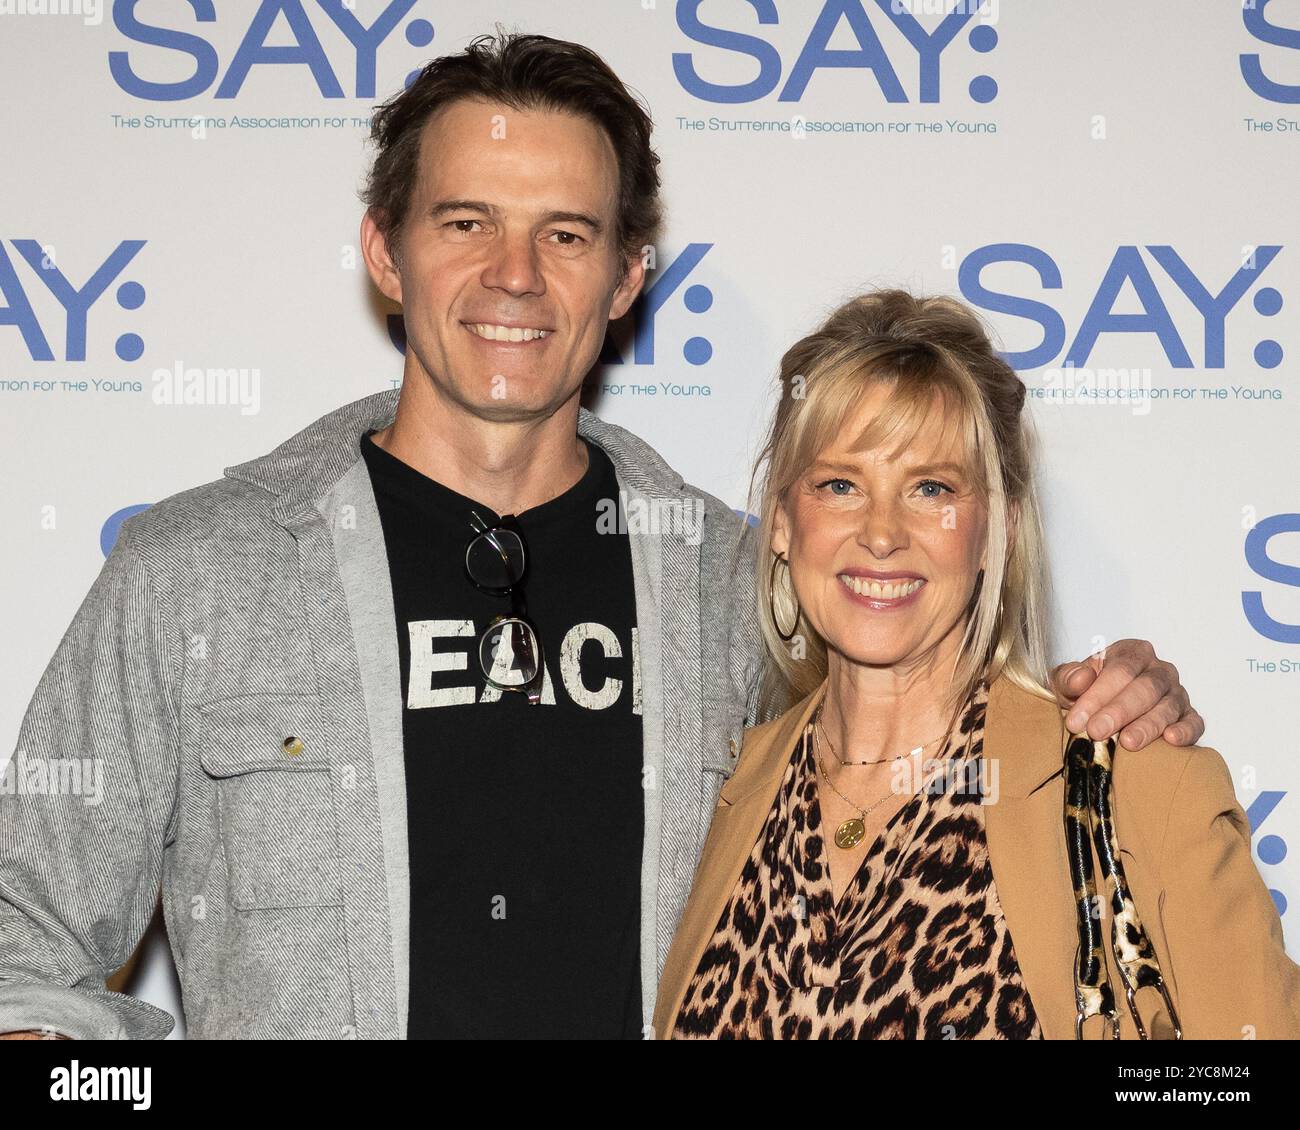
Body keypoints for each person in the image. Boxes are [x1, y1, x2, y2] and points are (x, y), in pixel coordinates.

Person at [0, 35, 1202, 1041]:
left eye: (566, 234)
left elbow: (940, 749)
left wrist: (1108, 705)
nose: (512, 276)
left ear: (627, 275)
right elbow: (21, 954)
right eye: (464, 221)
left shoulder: (745, 586)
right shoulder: (199, 572)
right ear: (385, 252)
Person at [654, 290, 1300, 1040]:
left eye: (933, 489)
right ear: (784, 522)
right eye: (839, 484)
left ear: (999, 528)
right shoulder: (731, 788)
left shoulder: (1133, 786)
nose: (882, 533)